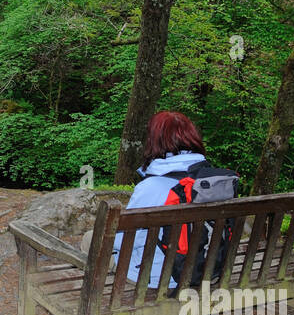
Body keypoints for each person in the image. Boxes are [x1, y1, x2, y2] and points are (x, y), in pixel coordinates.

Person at [81, 111, 221, 289]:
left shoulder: (151, 187)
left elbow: (128, 242)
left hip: (158, 277)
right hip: (206, 269)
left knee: (89, 238)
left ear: (154, 141)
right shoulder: (213, 181)